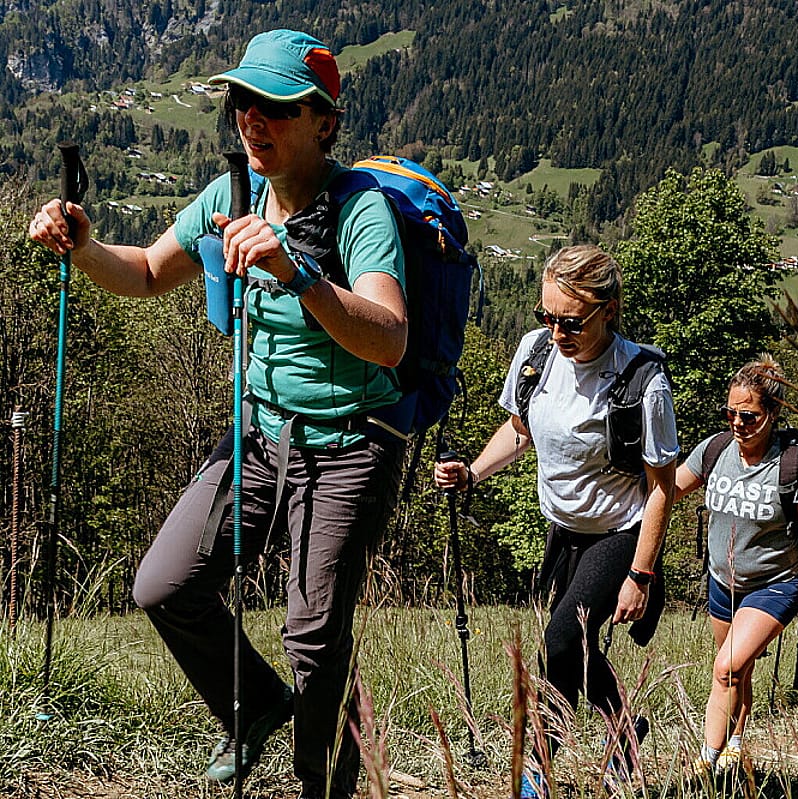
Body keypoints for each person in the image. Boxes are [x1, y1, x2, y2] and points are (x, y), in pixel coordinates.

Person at [30, 30, 408, 799]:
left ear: (323, 121)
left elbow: (391, 337)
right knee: (164, 586)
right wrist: (83, 247)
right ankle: (260, 706)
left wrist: (294, 271)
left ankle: (324, 782)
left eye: (273, 105)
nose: (251, 120)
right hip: (262, 434)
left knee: (312, 634)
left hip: (347, 445)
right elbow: (142, 273)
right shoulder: (228, 195)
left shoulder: (359, 210)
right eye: (242, 102)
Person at [433, 244, 678, 798]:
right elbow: (520, 429)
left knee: (561, 643)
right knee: (583, 652)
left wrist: (641, 574)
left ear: (608, 310)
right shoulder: (537, 354)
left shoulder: (643, 380)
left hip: (619, 532)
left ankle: (537, 765)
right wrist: (472, 473)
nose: (556, 331)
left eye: (570, 321)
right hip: (562, 532)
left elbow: (662, 486)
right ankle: (626, 735)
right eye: (546, 317)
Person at [673, 355, 798, 776]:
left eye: (748, 415)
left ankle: (704, 766)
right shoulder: (714, 451)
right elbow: (668, 489)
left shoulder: (796, 468)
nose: (737, 423)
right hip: (722, 580)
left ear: (773, 414)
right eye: (730, 413)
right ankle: (736, 746)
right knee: (737, 671)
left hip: (774, 583)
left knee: (725, 668)